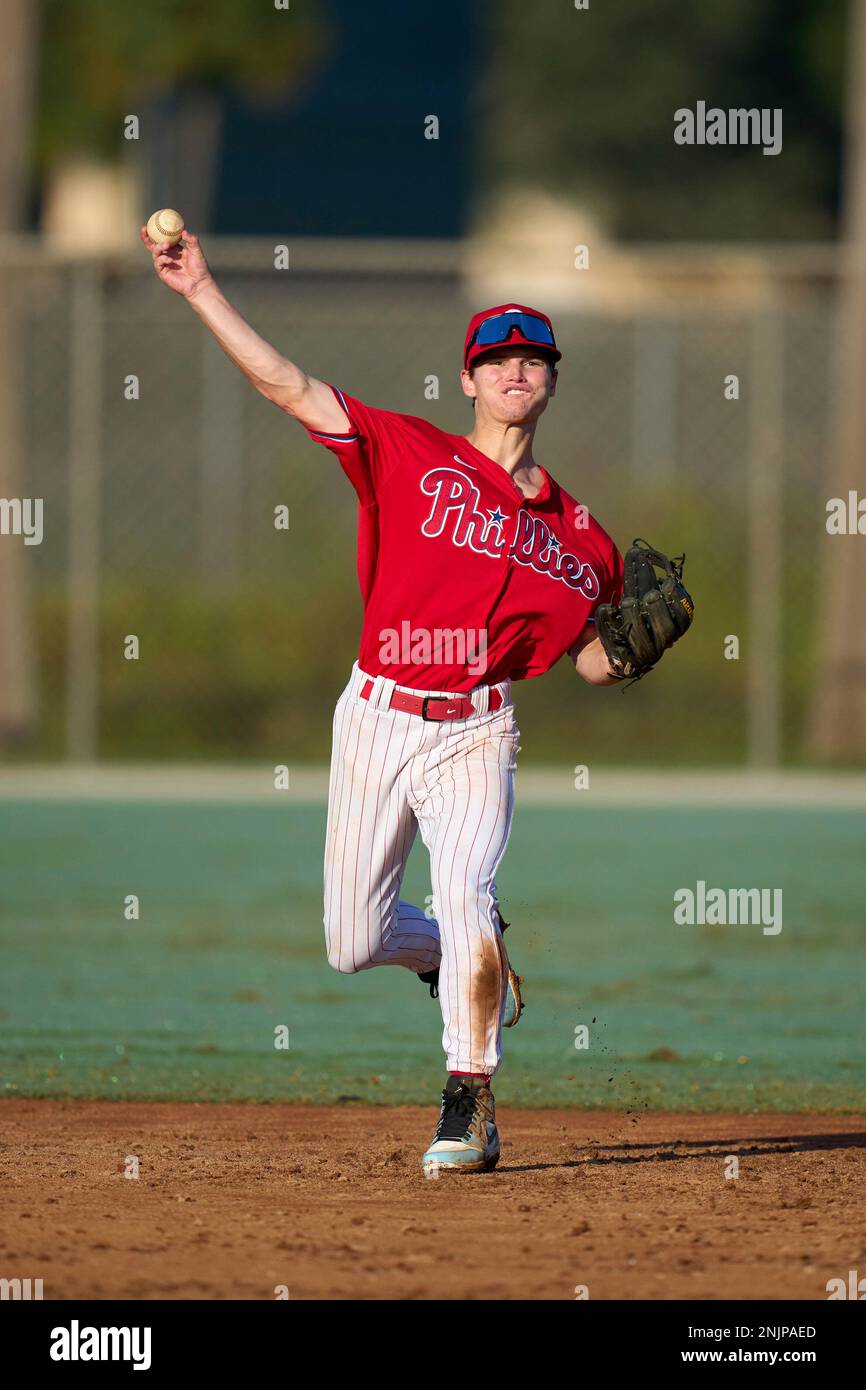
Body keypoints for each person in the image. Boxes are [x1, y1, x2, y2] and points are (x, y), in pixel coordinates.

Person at [142, 224, 625, 1174]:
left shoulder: (582, 540)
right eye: (497, 358)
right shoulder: (407, 450)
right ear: (470, 381)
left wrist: (641, 648)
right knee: (352, 940)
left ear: (553, 382)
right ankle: (451, 957)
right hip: (374, 713)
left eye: (533, 358)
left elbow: (592, 662)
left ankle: (468, 1097)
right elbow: (286, 384)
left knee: (467, 884)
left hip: (475, 731)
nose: (515, 371)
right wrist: (198, 287)